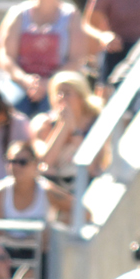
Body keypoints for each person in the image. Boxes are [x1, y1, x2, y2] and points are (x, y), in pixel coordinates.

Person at [0, 0, 84, 118]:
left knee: (55, 111)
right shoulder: (18, 14)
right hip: (20, 82)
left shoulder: (71, 17)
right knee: (8, 108)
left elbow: (76, 59)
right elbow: (5, 56)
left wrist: (49, 83)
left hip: (56, 83)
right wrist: (25, 80)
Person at [33, 71, 104, 218]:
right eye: (58, 93)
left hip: (84, 181)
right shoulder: (44, 123)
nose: (61, 97)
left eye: (67, 93)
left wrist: (75, 133)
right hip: (56, 184)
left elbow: (93, 166)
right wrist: (63, 126)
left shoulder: (96, 122)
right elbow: (45, 161)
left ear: (81, 96)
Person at [0, 140, 48, 279]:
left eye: (22, 162)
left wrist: (52, 230)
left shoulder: (47, 191)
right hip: (6, 255)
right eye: (11, 161)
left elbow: (81, 213)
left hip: (37, 255)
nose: (15, 167)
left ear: (35, 164)